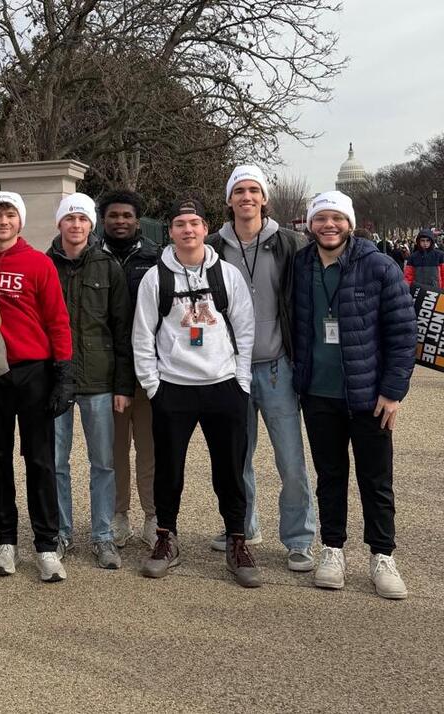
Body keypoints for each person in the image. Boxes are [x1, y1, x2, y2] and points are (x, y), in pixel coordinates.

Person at [292, 191, 417, 599]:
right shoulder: (301, 266)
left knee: (376, 480)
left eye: (336, 218)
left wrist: (393, 392)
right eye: (320, 218)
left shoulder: (379, 266)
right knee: (330, 477)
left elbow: (403, 333)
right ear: (311, 225)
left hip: (369, 396)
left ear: (349, 223)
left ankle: (382, 555)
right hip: (318, 393)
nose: (328, 225)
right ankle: (332, 549)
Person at [132, 197, 261, 588]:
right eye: (180, 224)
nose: (187, 230)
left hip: (223, 384)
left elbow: (245, 328)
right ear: (170, 232)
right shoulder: (156, 278)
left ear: (206, 228)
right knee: (169, 469)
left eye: (194, 223)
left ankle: (237, 540)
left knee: (230, 468)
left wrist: (241, 381)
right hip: (174, 388)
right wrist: (153, 386)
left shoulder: (226, 275)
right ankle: (166, 538)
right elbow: (142, 335)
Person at [204, 165, 316, 571]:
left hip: (276, 366)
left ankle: (299, 537)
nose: (247, 197)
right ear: (229, 199)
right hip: (230, 368)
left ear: (264, 198)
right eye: (239, 191)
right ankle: (243, 526)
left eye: (253, 190)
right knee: (236, 458)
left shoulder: (290, 243)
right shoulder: (213, 245)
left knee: (291, 460)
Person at [0, 191, 74, 582]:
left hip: (34, 371)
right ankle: (5, 541)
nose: (3, 221)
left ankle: (46, 544)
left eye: (10, 215)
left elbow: (57, 319)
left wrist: (64, 372)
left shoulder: (38, 263)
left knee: (40, 459)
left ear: (20, 221)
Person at [46, 193, 133, 569]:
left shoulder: (108, 266)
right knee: (56, 462)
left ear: (91, 225)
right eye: (70, 218)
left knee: (103, 463)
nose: (76, 225)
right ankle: (60, 532)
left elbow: (122, 328)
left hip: (100, 381)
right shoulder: (45, 264)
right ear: (60, 224)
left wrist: (123, 386)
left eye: (82, 219)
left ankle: (102, 535)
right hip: (55, 380)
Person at [97, 189, 159, 548]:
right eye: (113, 215)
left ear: (137, 220)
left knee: (150, 450)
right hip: (107, 372)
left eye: (127, 215)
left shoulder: (157, 258)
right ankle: (119, 514)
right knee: (114, 451)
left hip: (147, 370)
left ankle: (153, 516)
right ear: (103, 219)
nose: (120, 221)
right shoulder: (93, 257)